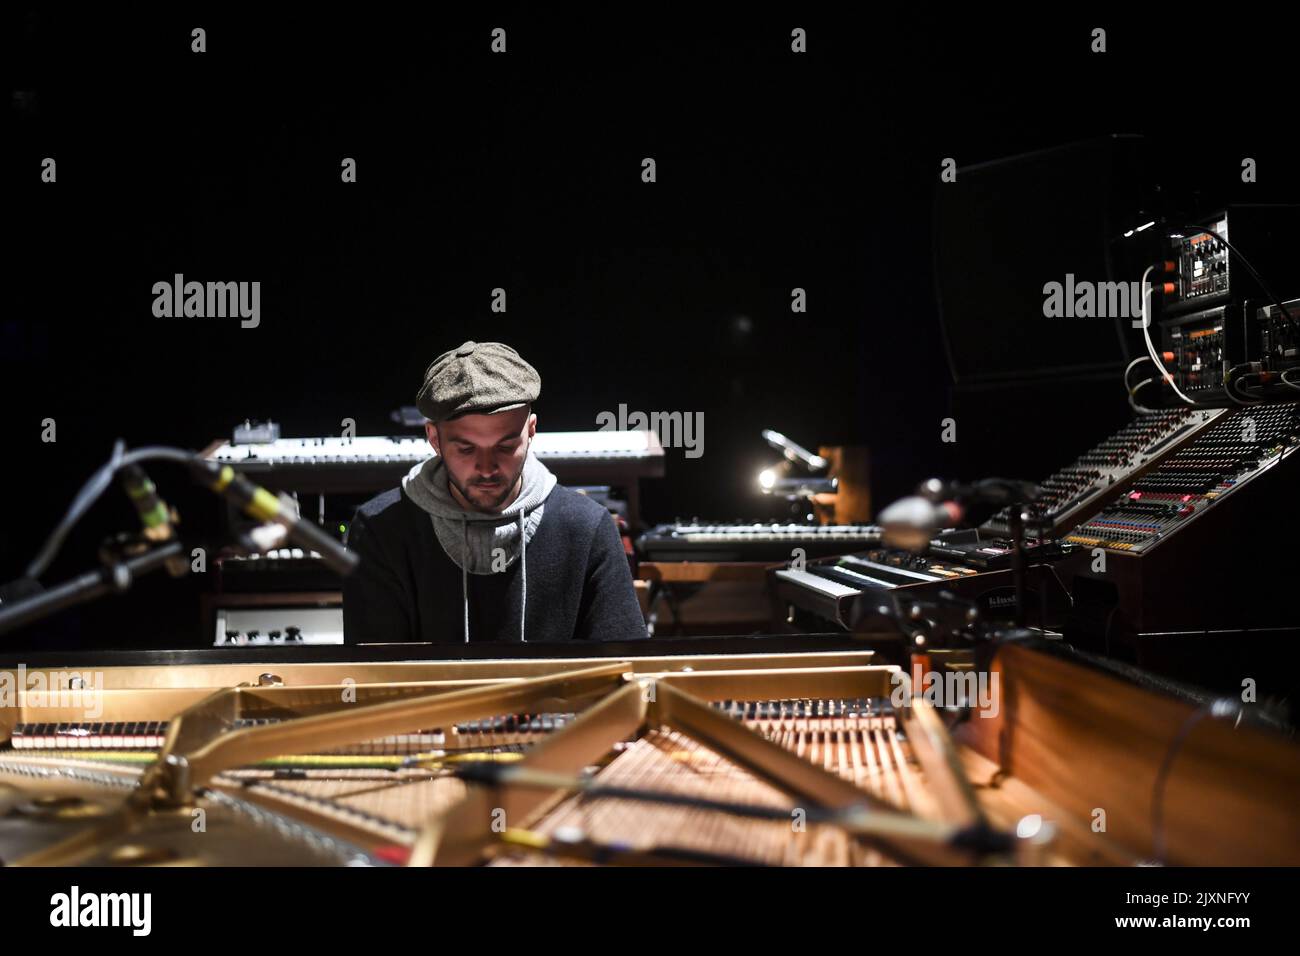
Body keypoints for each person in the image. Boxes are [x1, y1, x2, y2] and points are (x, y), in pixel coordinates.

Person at [342, 341, 647, 644]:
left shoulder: (587, 528)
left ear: (530, 431)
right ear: (434, 438)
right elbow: (375, 678)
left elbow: (625, 668)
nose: (486, 467)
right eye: (466, 448)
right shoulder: (381, 530)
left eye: (505, 446)